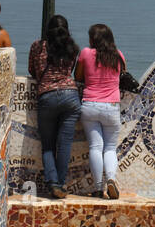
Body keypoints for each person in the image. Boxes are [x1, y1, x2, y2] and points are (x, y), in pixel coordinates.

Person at [28, 14, 81, 200]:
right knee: (65, 144)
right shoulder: (73, 48)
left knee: (48, 145)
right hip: (71, 95)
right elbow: (72, 70)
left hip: (47, 96)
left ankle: (53, 183)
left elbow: (31, 70)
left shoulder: (38, 46)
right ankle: (61, 182)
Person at [75, 23, 125, 200]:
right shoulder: (118, 56)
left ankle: (97, 188)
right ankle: (111, 179)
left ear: (92, 39)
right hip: (111, 106)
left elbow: (78, 76)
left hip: (90, 105)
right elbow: (122, 75)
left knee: (95, 147)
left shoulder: (86, 53)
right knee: (110, 147)